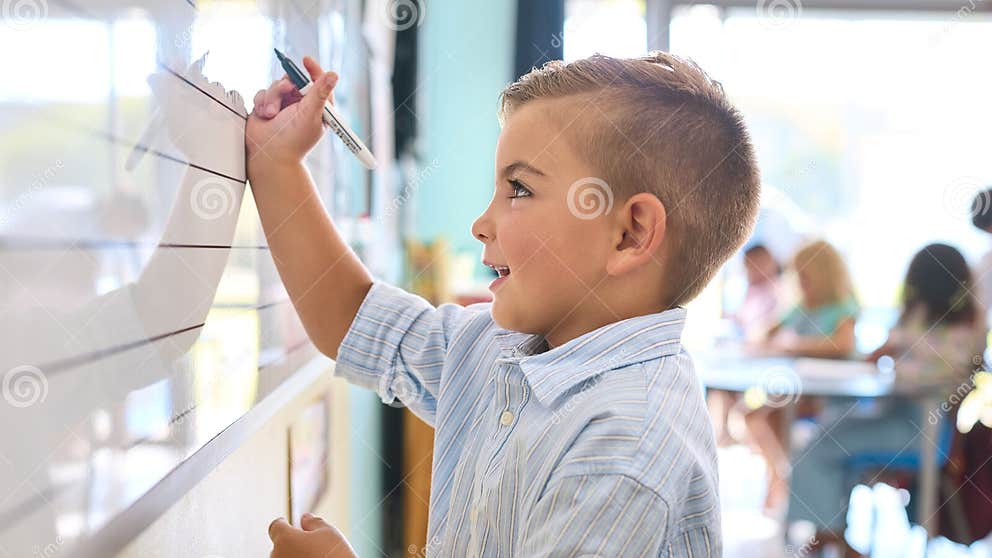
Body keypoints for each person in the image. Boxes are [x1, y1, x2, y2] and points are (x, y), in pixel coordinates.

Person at [247, 52, 762, 556]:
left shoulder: (624, 455)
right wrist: (277, 166)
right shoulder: (500, 346)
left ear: (630, 234)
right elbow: (350, 318)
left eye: (518, 189)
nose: (480, 224)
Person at [788, 243, 986, 545]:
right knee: (827, 433)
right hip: (904, 421)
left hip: (922, 432)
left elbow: (936, 375)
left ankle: (834, 541)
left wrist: (895, 354)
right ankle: (833, 539)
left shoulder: (960, 323)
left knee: (820, 445)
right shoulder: (937, 316)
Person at [745, 239, 859, 513]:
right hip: (800, 392)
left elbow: (843, 344)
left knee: (772, 416)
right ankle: (782, 476)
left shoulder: (843, 307)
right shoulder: (802, 308)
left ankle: (786, 481)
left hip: (832, 398)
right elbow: (765, 334)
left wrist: (794, 345)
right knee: (755, 415)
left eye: (808, 278)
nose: (804, 285)